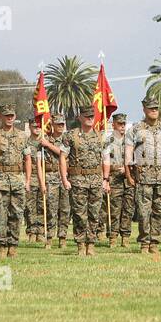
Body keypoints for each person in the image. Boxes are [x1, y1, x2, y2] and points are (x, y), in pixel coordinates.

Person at [124, 96, 161, 255]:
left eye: (156, 108)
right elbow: (128, 155)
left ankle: (154, 242)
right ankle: (144, 242)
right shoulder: (135, 130)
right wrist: (129, 175)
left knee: (159, 212)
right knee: (143, 212)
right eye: (151, 108)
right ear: (144, 109)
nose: (154, 111)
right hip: (143, 178)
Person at [0, 104, 32, 258]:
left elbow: (28, 159)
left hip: (18, 180)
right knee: (1, 216)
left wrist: (28, 180)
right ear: (1, 117)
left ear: (15, 117)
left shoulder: (23, 136)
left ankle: (13, 246)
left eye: (12, 115)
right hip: (0, 180)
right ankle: (2, 247)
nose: (9, 118)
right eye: (6, 115)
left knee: (17, 215)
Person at [61, 107, 107, 255]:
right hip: (78, 180)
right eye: (86, 116)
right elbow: (63, 157)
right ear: (79, 117)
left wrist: (106, 179)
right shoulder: (70, 136)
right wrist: (64, 179)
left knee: (94, 213)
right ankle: (81, 244)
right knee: (79, 214)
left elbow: (105, 159)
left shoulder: (100, 136)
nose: (90, 118)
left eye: (92, 116)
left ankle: (91, 244)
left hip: (96, 180)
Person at [104, 112, 134, 247]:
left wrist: (129, 170)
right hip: (114, 177)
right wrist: (106, 180)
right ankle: (113, 236)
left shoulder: (131, 141)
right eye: (120, 124)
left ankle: (125, 236)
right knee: (114, 210)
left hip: (128, 179)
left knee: (128, 209)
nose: (122, 126)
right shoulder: (108, 142)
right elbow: (104, 162)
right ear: (113, 124)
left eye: (124, 124)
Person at [42, 115, 70, 247]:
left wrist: (48, 145)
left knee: (65, 209)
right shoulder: (45, 139)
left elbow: (63, 153)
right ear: (52, 124)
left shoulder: (67, 139)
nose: (61, 126)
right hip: (51, 177)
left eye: (62, 124)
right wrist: (45, 143)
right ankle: (49, 237)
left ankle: (62, 237)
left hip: (64, 176)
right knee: (51, 209)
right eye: (58, 124)